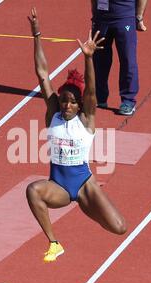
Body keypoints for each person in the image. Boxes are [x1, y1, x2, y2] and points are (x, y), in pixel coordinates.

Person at [26, 7, 127, 263]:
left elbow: (92, 92)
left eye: (71, 102)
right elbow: (42, 73)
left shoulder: (86, 119)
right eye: (63, 101)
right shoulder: (53, 115)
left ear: (79, 104)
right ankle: (54, 243)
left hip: (84, 183)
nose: (66, 105)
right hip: (58, 185)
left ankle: (85, 205)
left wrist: (89, 58)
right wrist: (37, 34)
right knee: (33, 190)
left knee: (119, 227)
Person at [91, 0, 148, 116]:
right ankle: (99, 97)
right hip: (101, 18)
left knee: (127, 60)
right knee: (99, 60)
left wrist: (139, 17)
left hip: (124, 17)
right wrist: (95, 13)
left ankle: (128, 100)